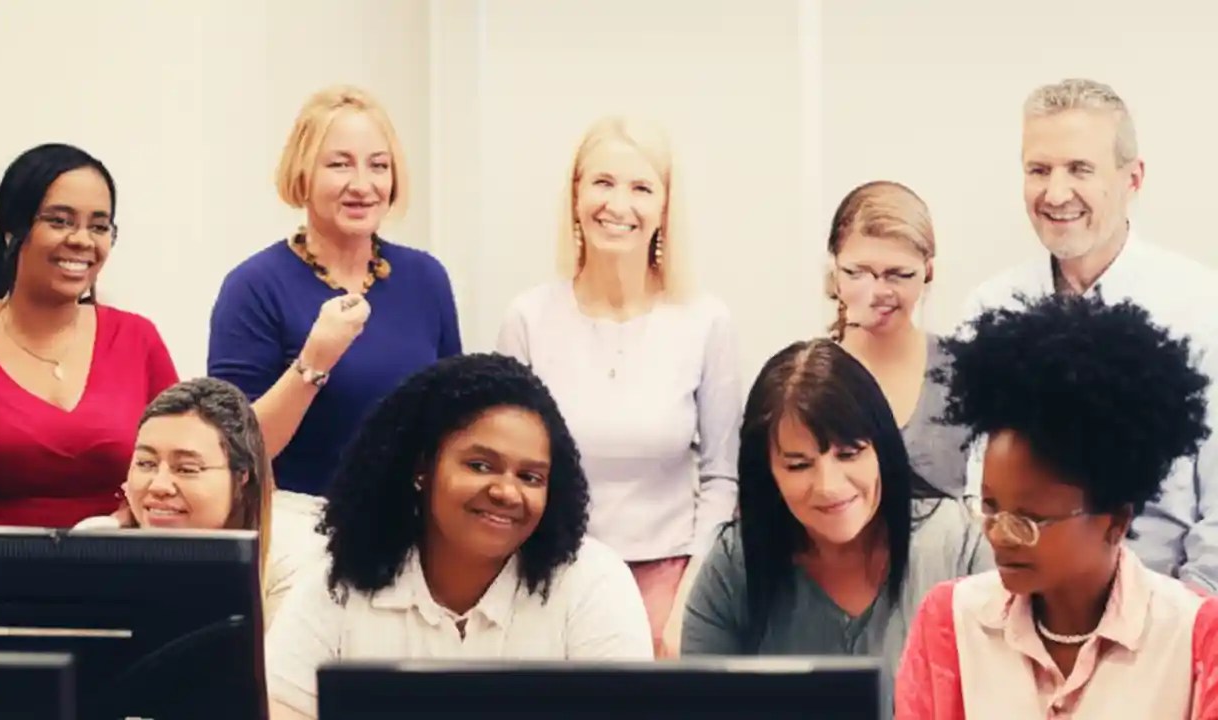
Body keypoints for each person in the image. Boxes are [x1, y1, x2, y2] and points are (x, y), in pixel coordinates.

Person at [265, 353, 652, 719]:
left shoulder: (592, 583)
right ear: (421, 467)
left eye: (530, 477)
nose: (506, 491)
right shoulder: (337, 586)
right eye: (480, 465)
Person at [896, 294, 1218, 719]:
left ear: (1115, 521)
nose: (998, 533)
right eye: (991, 506)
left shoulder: (1195, 637)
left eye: (1029, 519)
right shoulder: (950, 622)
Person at [496, 115, 741, 657]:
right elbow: (508, 470)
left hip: (672, 580)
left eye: (641, 188)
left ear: (665, 206)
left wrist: (690, 600)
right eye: (602, 182)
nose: (618, 204)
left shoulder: (705, 321)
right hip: (555, 575)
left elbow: (724, 476)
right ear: (576, 195)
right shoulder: (528, 318)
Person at [960, 77, 1218, 590]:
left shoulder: (1200, 307)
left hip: (1169, 621)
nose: (1056, 193)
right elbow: (979, 495)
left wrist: (1175, 636)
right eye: (1039, 170)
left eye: (1080, 169)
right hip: (1020, 623)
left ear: (1133, 178)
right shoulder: (990, 308)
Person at [682, 340, 990, 717]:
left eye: (848, 454)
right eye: (798, 465)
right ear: (768, 474)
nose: (829, 485)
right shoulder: (733, 564)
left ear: (882, 449)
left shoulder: (957, 545)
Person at [208, 85, 461, 503]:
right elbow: (236, 456)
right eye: (340, 165)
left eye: (378, 166)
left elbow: (455, 419)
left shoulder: (426, 278)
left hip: (413, 531)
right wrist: (315, 361)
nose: (362, 185)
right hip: (301, 530)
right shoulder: (253, 288)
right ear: (303, 175)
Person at [0, 143, 178, 527]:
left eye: (99, 226)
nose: (82, 240)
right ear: (11, 231)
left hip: (117, 570)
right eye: (60, 221)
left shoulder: (138, 339)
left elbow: (181, 463)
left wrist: (129, 518)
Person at [74, 377, 323, 625]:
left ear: (241, 477)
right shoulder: (92, 546)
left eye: (186, 468)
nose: (159, 486)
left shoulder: (295, 562)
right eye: (145, 464)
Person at [827, 181, 970, 497]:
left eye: (899, 275)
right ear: (834, 270)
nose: (878, 293)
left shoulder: (964, 374)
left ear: (928, 272)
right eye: (857, 273)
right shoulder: (804, 380)